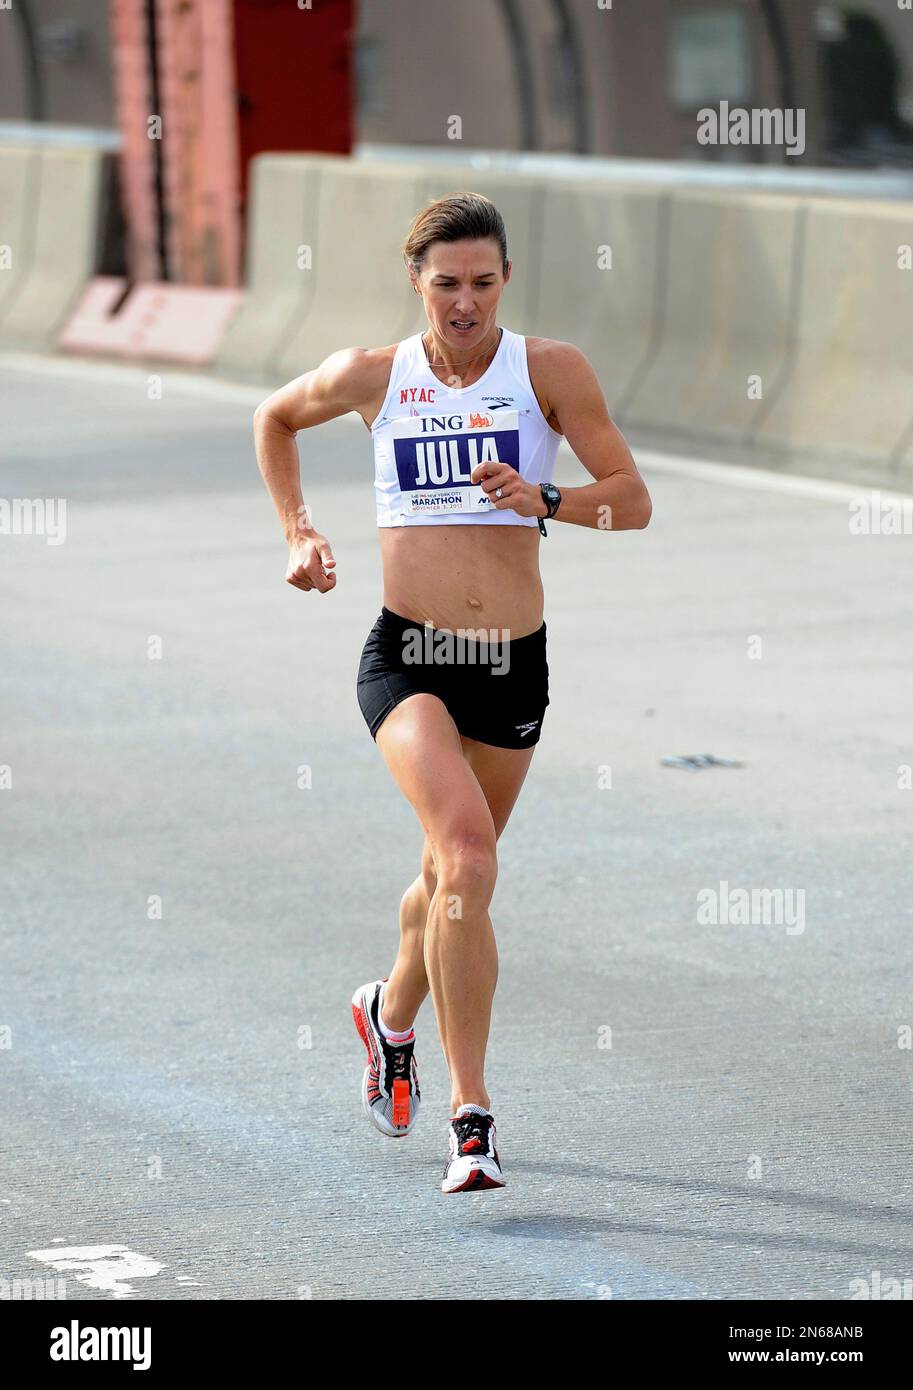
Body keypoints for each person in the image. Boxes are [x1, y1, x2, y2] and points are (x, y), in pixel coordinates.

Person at [253, 191, 652, 1193]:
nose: (464, 302)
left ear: (505, 280)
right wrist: (298, 532)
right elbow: (273, 417)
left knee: (450, 882)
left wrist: (547, 497)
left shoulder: (549, 372)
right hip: (409, 657)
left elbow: (633, 503)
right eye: (445, 284)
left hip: (512, 662)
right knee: (469, 858)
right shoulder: (374, 377)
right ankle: (471, 1120)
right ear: (415, 281)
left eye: (481, 282)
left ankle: (386, 1016)